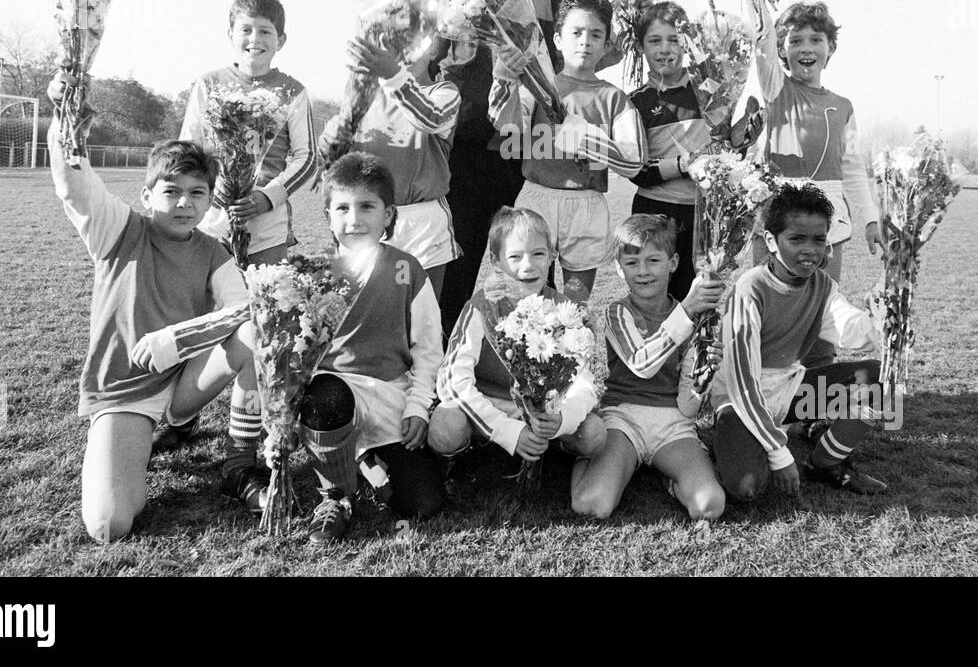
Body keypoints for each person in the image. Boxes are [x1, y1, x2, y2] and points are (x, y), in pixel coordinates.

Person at [47, 76, 255, 543]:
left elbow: (243, 310)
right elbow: (73, 183)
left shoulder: (214, 252)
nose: (185, 203)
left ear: (210, 199)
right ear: (147, 196)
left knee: (254, 330)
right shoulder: (119, 230)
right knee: (109, 524)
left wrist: (175, 341)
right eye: (171, 191)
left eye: (197, 192)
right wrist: (62, 115)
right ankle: (128, 447)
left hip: (183, 384)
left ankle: (227, 444)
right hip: (127, 389)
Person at [172, 0, 317, 505]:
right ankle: (179, 416)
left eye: (266, 32)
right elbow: (189, 151)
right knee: (195, 326)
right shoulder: (209, 85)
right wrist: (217, 196)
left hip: (268, 232)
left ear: (282, 39)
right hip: (211, 228)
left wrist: (262, 197)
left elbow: (307, 158)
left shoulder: (293, 91)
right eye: (247, 30)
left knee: (260, 335)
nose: (255, 40)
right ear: (230, 32)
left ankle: (241, 450)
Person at [415, 0, 564, 336]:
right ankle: (441, 380)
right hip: (457, 152)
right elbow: (419, 71)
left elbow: (560, 73)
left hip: (523, 152)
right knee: (454, 272)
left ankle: (545, 373)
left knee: (532, 267)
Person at [301, 151, 445, 544]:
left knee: (422, 504)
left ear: (388, 214)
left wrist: (418, 405)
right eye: (342, 208)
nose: (354, 219)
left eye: (367, 206)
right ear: (328, 215)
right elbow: (295, 356)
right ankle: (336, 495)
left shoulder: (407, 269)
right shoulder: (314, 273)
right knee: (326, 396)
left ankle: (363, 458)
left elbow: (429, 347)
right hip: (335, 395)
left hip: (389, 395)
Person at [712, 182, 889, 500]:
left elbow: (851, 330)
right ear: (771, 241)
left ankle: (826, 463)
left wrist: (882, 320)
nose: (810, 250)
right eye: (797, 239)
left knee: (880, 379)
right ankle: (709, 441)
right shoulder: (749, 290)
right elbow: (742, 384)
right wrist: (779, 454)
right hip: (739, 400)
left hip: (789, 391)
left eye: (819, 240)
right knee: (746, 488)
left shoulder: (822, 284)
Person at [489, 0, 646, 302]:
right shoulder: (538, 85)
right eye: (576, 32)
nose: (585, 42)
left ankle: (573, 347)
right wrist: (504, 76)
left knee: (575, 304)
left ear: (606, 44)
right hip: (537, 197)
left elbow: (633, 161)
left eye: (595, 34)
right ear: (558, 39)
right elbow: (505, 125)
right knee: (528, 301)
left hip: (585, 204)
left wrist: (585, 137)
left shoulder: (614, 98)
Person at [730, 0, 879, 284]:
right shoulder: (776, 89)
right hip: (778, 210)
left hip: (829, 216)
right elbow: (761, 38)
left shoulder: (844, 107)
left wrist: (869, 218)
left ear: (831, 48)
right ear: (782, 51)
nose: (805, 48)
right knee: (770, 305)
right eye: (795, 41)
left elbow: (853, 166)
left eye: (816, 40)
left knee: (823, 306)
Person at [569, 215, 726, 522]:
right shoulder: (617, 312)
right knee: (592, 504)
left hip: (672, 423)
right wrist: (686, 312)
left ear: (674, 262)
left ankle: (668, 477)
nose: (643, 271)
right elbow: (642, 364)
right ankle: (585, 458)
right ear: (618, 268)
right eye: (632, 263)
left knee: (710, 505)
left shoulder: (696, 315)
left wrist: (706, 368)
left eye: (654, 260)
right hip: (623, 418)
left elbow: (690, 398)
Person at [428, 207, 605, 470]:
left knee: (594, 433)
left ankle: (550, 456)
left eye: (538, 254)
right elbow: (452, 379)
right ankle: (459, 466)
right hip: (491, 405)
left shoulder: (565, 310)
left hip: (544, 411)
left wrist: (562, 419)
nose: (528, 265)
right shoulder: (482, 307)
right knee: (446, 425)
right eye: (515, 256)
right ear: (496, 260)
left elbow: (585, 382)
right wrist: (506, 431)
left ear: (552, 256)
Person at [318, 23, 462, 299]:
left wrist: (393, 74)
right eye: (395, 43)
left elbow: (431, 118)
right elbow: (328, 154)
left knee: (421, 315)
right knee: (366, 309)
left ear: (433, 48)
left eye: (413, 41)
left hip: (423, 224)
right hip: (368, 217)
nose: (404, 51)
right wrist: (342, 124)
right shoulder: (363, 98)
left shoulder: (444, 92)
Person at [626, 1, 711, 301]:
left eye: (674, 39)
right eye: (655, 40)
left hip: (705, 213)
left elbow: (725, 144)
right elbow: (635, 170)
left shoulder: (711, 89)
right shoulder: (634, 102)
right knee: (654, 297)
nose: (665, 48)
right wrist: (683, 164)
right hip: (655, 213)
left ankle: (700, 350)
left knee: (700, 297)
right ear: (640, 47)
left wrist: (743, 135)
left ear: (687, 42)